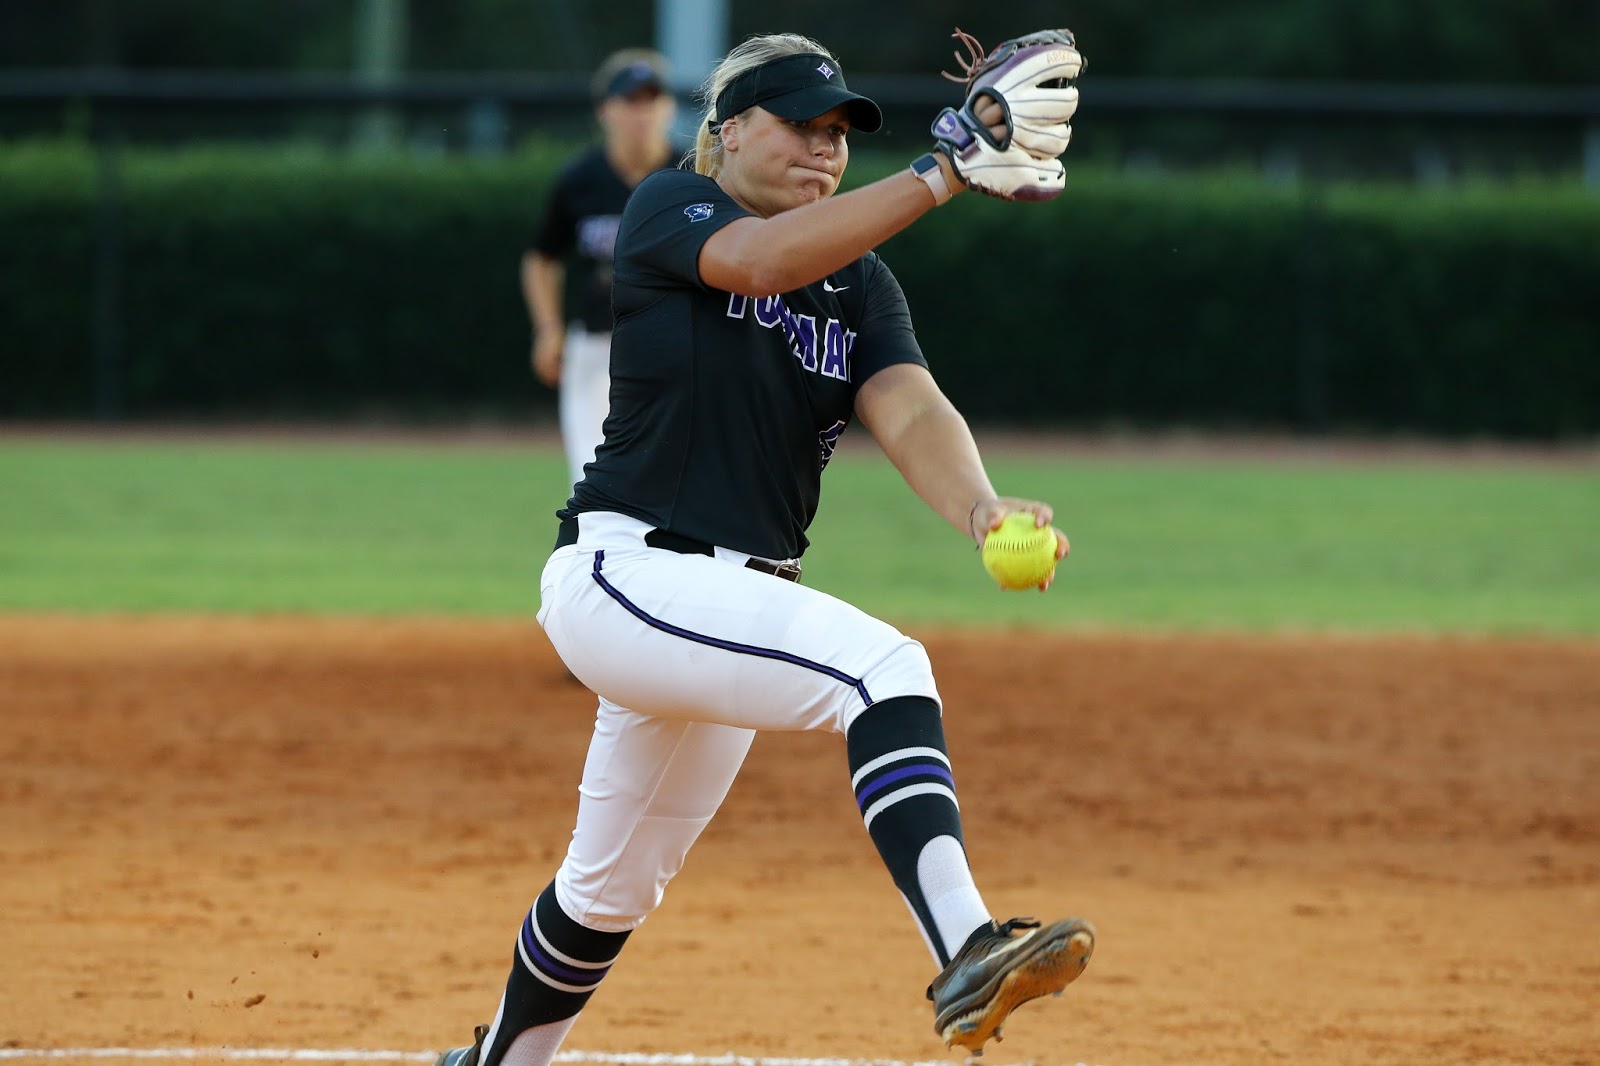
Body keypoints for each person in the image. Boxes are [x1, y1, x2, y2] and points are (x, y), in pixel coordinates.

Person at [438, 29, 1091, 1066]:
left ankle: (498, 1060)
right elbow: (759, 260)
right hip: (629, 574)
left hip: (727, 602)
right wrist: (940, 172)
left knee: (610, 886)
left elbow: (909, 407)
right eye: (800, 123)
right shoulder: (671, 206)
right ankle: (965, 944)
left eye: (839, 132)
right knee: (884, 671)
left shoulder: (860, 283)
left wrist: (977, 507)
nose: (825, 147)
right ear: (729, 127)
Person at [522, 49, 677, 492]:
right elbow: (541, 257)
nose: (642, 112)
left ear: (667, 107)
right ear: (605, 110)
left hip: (676, 344)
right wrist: (547, 328)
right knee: (591, 479)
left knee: (670, 476)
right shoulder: (581, 179)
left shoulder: (692, 174)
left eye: (653, 99)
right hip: (596, 345)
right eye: (631, 100)